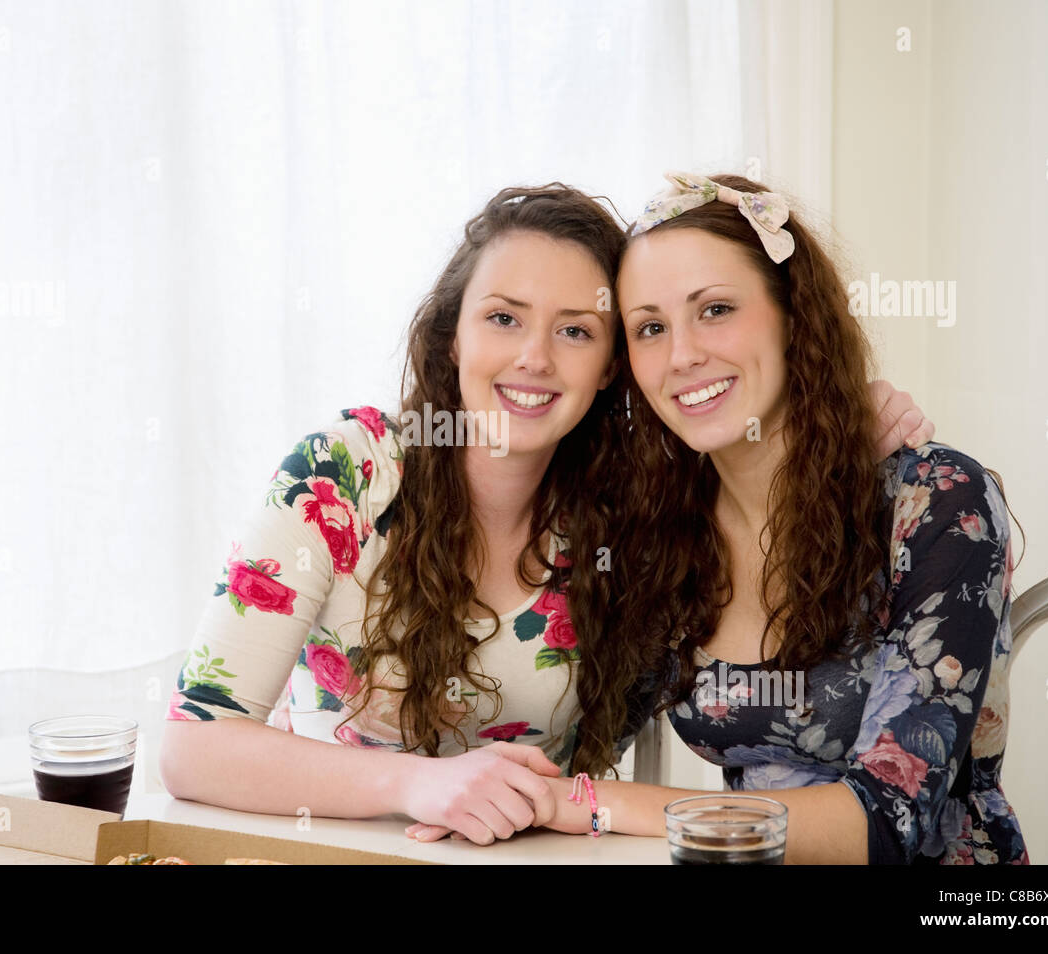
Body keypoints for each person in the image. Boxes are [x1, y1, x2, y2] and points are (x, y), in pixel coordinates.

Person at [160, 182, 934, 847]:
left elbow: (747, 447)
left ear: (610, 369)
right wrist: (416, 785)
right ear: (451, 336)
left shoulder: (630, 515)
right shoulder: (344, 474)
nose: (534, 356)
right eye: (503, 318)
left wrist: (831, 421)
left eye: (575, 330)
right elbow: (194, 748)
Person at [408, 172, 1026, 863]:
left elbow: (889, 821)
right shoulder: (663, 534)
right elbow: (576, 736)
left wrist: (583, 803)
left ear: (794, 314)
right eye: (649, 327)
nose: (682, 355)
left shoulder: (937, 502)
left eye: (715, 310)